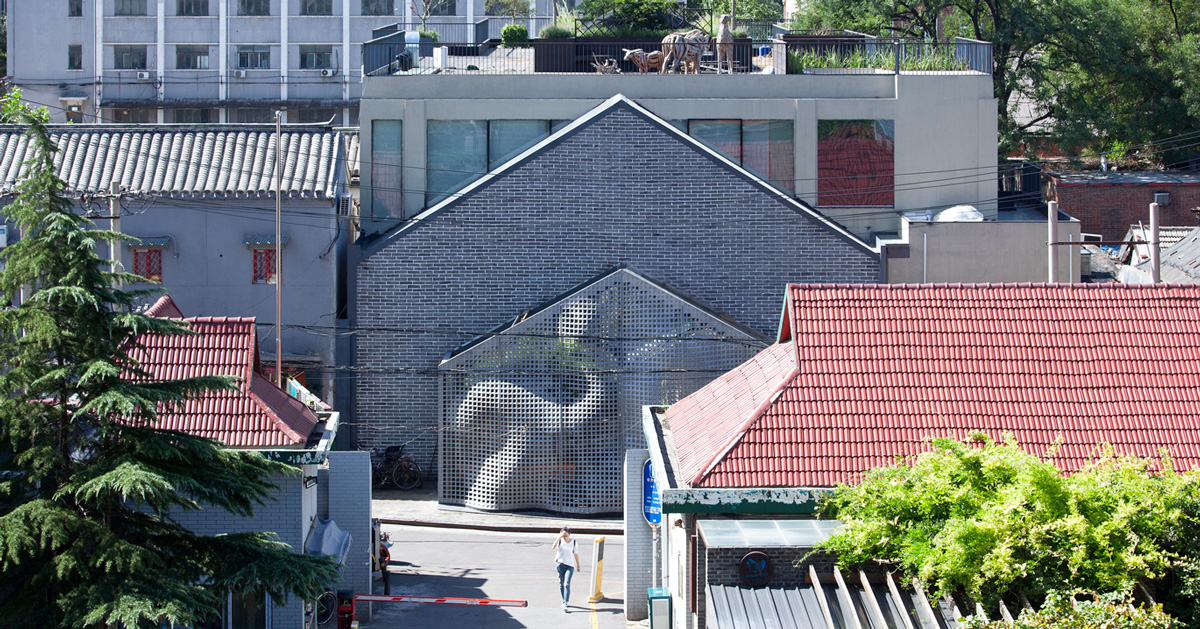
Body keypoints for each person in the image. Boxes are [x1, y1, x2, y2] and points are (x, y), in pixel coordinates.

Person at [552, 527, 581, 612]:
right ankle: (564, 599)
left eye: (565, 534)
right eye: (563, 534)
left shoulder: (574, 542)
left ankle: (565, 602)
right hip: (560, 564)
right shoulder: (560, 541)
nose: (564, 536)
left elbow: (576, 554)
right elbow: (553, 547)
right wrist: (559, 537)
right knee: (561, 583)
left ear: (569, 534)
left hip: (570, 565)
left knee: (566, 584)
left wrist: (578, 565)